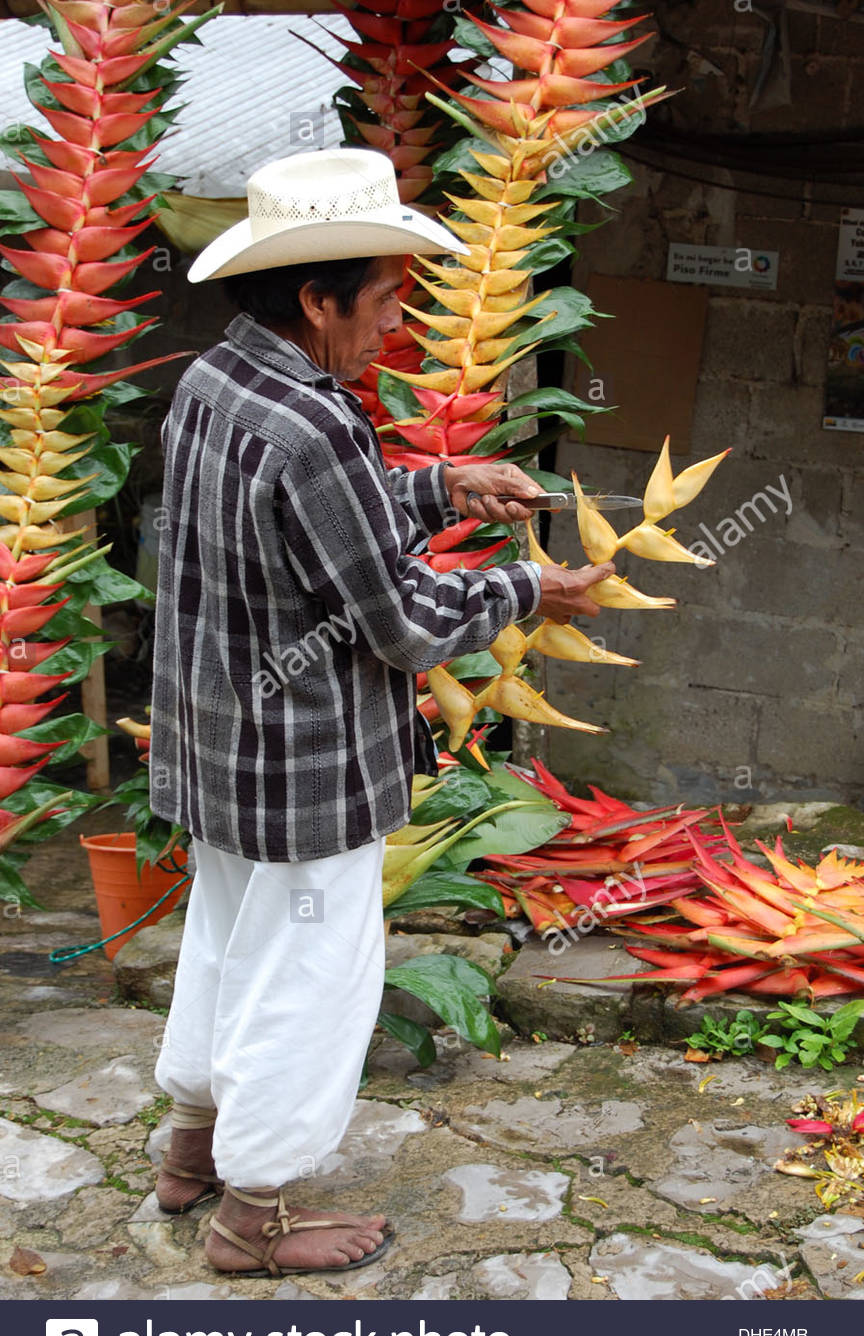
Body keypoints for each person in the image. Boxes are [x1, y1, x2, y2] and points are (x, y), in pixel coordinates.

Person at [148, 149, 614, 1278]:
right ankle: (253, 1216)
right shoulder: (317, 421)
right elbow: (400, 619)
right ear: (316, 298)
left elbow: (309, 524)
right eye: (385, 297)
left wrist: (444, 484)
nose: (396, 320)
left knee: (230, 940)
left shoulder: (219, 382)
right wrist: (524, 587)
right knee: (310, 974)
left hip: (222, 745)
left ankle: (194, 1147)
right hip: (308, 760)